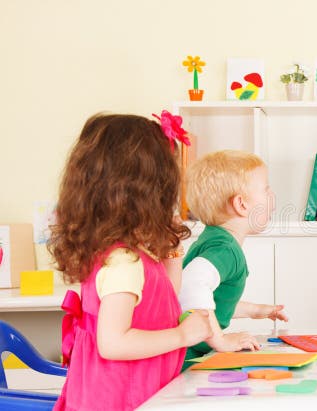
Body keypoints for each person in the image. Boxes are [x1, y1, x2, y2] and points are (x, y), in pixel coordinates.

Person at [49, 112, 213, 411]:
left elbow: (161, 304)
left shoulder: (129, 253)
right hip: (120, 399)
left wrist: (172, 252)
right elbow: (113, 343)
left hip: (135, 393)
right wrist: (182, 335)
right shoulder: (123, 261)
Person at [179, 150, 288, 370]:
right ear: (241, 204)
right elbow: (191, 286)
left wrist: (253, 310)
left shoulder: (215, 239)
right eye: (266, 189)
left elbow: (210, 303)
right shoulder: (225, 249)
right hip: (185, 361)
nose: (272, 196)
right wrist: (219, 340)